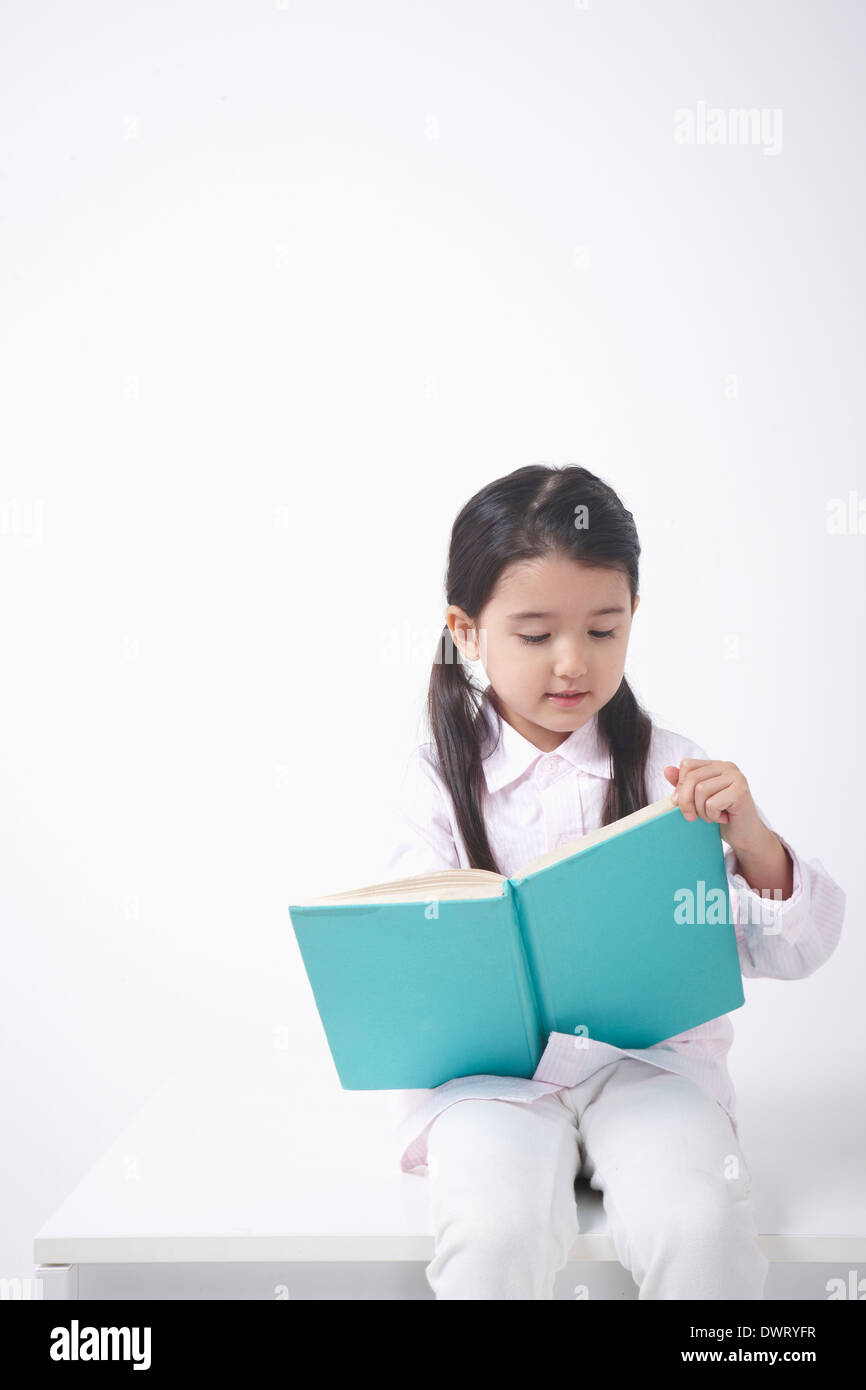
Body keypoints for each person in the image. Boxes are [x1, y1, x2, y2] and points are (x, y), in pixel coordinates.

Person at [377, 463, 846, 1300]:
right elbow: (417, 953)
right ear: (466, 631)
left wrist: (752, 837)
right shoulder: (435, 782)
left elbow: (798, 949)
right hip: (496, 1082)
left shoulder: (673, 769)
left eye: (603, 629)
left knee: (699, 1227)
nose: (573, 664)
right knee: (491, 1236)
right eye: (535, 634)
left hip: (649, 1064)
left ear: (635, 616)